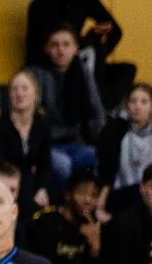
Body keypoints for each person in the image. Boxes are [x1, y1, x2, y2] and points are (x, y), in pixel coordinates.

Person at [25, 0, 125, 96]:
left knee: (127, 70)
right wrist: (78, 44)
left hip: (77, 57)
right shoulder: (43, 2)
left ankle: (104, 107)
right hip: (47, 62)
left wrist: (101, 53)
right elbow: (36, 45)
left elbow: (116, 30)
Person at [34, 25, 102, 187]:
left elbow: (96, 110)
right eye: (55, 45)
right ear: (46, 49)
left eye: (66, 44)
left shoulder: (82, 72)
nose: (61, 50)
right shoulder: (36, 74)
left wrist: (100, 142)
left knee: (103, 158)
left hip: (77, 142)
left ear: (76, 48)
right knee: (62, 164)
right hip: (48, 145)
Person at [0, 69, 54, 212]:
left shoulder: (42, 125)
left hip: (30, 183)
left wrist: (41, 189)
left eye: (24, 88)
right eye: (14, 89)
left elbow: (45, 164)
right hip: (4, 185)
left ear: (35, 95)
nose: (19, 93)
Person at [24, 171, 103, 264]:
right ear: (68, 195)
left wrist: (95, 250)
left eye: (94, 195)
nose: (88, 200)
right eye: (82, 193)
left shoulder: (93, 227)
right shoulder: (48, 221)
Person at [96, 83, 152, 211]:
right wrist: (102, 199)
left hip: (149, 193)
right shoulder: (114, 130)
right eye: (133, 101)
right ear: (127, 105)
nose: (137, 106)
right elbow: (106, 168)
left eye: (144, 102)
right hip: (119, 192)